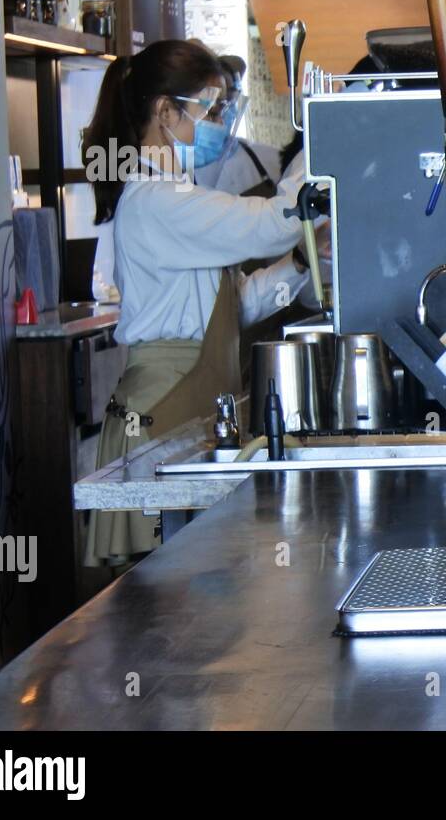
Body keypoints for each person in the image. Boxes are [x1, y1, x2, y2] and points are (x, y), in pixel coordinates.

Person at [81, 39, 324, 566]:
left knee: (194, 585)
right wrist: (318, 149)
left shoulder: (175, 194)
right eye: (209, 111)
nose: (218, 125)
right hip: (162, 407)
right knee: (162, 598)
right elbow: (270, 224)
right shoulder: (156, 201)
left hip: (188, 400)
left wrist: (301, 264)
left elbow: (234, 309)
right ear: (164, 111)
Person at [192, 53, 285, 197]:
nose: (220, 121)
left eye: (228, 99)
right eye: (213, 111)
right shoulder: (163, 177)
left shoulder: (269, 159)